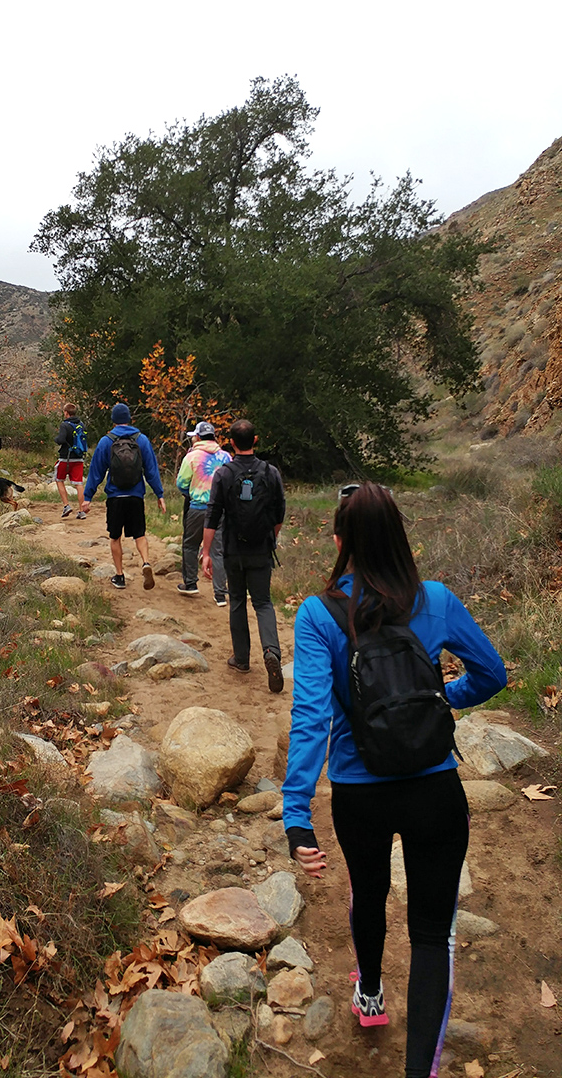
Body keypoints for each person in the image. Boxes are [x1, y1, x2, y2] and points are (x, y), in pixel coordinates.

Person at [282, 482, 507, 1078]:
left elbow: (311, 717)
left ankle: (372, 995)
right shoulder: (436, 600)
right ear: (402, 536)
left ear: (339, 542)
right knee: (434, 936)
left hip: (360, 794)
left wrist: (296, 812)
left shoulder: (318, 613)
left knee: (369, 892)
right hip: (436, 790)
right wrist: (442, 700)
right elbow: (492, 674)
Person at [202, 418, 285, 691]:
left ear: (232, 443)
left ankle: (241, 659)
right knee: (263, 602)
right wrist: (270, 535)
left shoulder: (224, 474)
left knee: (237, 600)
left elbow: (212, 515)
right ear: (256, 440)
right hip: (261, 549)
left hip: (233, 550)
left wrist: (206, 553)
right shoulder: (271, 472)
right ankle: (271, 651)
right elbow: (279, 513)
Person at [81, 403, 166, 590]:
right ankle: (145, 562)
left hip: (115, 497)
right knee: (140, 534)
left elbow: (96, 471)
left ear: (113, 420)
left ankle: (119, 576)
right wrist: (159, 494)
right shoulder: (141, 440)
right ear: (129, 419)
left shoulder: (106, 441)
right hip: (136, 496)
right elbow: (151, 470)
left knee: (115, 537)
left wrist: (88, 497)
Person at [175, 420, 231, 603]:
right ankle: (220, 593)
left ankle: (190, 583)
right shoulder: (226, 457)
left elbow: (181, 484)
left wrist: (191, 494)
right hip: (221, 509)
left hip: (198, 507)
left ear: (198, 437)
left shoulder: (192, 457)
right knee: (218, 550)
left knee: (190, 544)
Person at [54, 403, 87, 520]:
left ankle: (66, 505)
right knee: (79, 484)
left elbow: (61, 439)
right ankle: (82, 511)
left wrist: (56, 439)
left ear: (66, 413)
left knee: (59, 480)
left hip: (65, 457)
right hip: (79, 458)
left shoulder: (65, 425)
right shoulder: (81, 424)